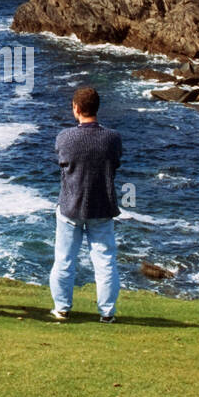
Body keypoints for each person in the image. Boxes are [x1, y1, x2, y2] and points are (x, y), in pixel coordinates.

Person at [49, 86, 123, 323]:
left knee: (64, 259)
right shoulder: (112, 138)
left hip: (70, 205)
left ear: (76, 108)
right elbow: (115, 163)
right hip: (102, 206)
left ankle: (61, 308)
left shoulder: (65, 137)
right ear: (97, 108)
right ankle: (107, 312)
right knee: (105, 261)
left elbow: (62, 161)